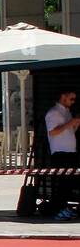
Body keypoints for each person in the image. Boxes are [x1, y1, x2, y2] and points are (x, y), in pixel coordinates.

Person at [44, 89, 80, 220]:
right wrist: (70, 123)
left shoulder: (67, 112)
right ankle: (58, 210)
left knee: (69, 183)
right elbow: (53, 133)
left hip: (70, 151)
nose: (73, 102)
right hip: (60, 152)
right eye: (71, 99)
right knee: (63, 183)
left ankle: (64, 208)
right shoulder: (53, 113)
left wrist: (75, 124)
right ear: (63, 96)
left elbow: (69, 131)